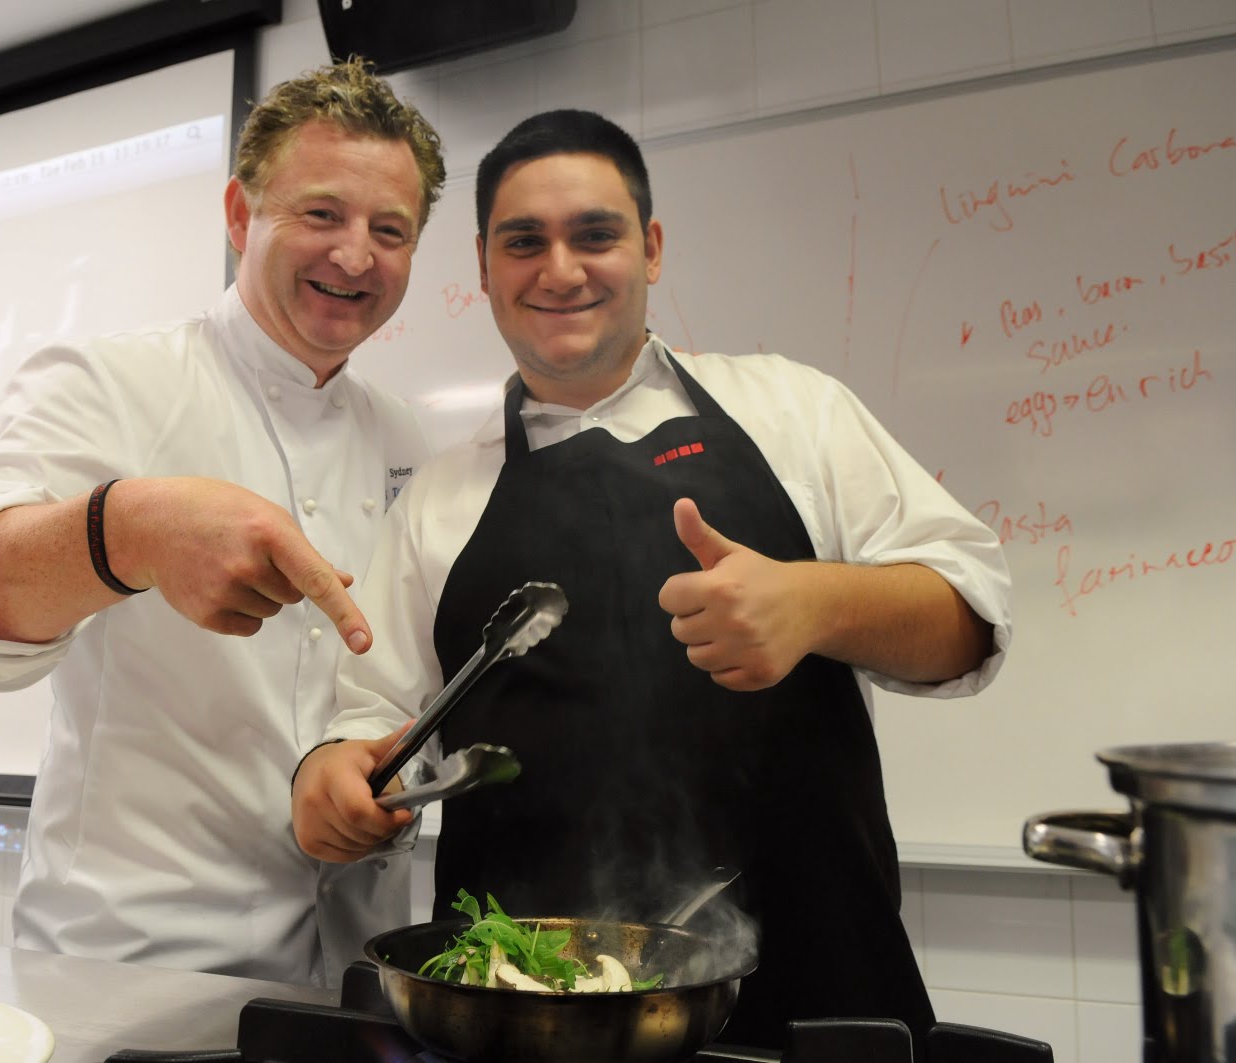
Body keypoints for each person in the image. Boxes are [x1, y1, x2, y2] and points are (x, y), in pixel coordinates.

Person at [290, 109, 1012, 1049]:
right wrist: (334, 778)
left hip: (817, 998)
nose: (560, 271)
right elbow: (372, 722)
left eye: (595, 234)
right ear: (483, 267)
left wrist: (817, 603)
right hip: (527, 1012)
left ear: (652, 247)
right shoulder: (438, 498)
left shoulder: (793, 411)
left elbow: (968, 617)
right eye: (524, 242)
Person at [0, 59, 446, 987]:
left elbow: (396, 684)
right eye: (321, 214)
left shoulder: (406, 437)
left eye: (389, 230)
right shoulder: (113, 383)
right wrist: (129, 531)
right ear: (239, 215)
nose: (356, 256)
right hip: (132, 968)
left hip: (352, 974)